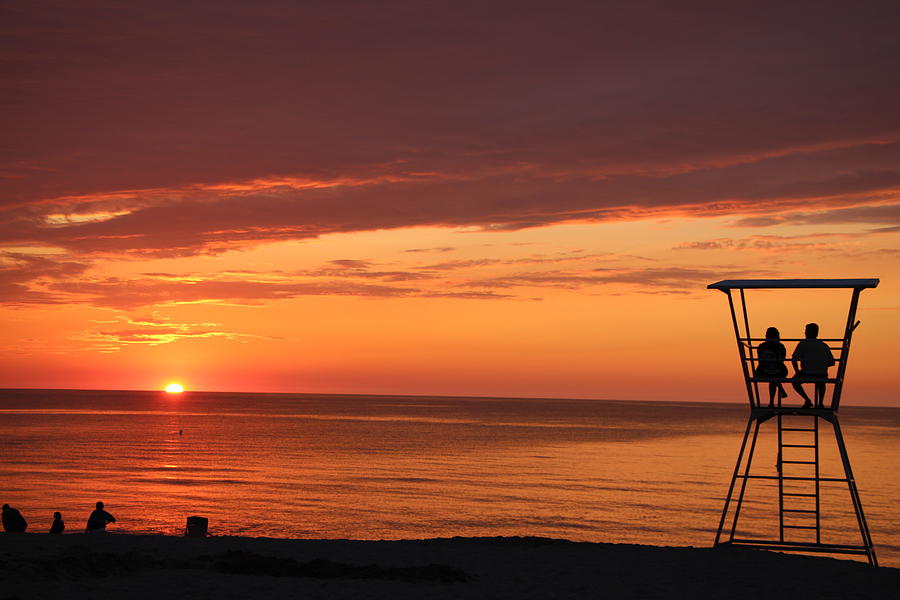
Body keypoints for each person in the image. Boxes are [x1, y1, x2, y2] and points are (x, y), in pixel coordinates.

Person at [791, 323, 836, 409]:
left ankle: (807, 400)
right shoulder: (823, 345)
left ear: (808, 332)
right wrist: (821, 365)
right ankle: (821, 403)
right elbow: (832, 362)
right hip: (821, 374)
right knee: (821, 382)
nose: (805, 333)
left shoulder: (803, 344)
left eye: (806, 331)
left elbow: (794, 359)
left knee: (794, 382)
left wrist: (797, 371)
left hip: (806, 373)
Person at [755, 327, 789, 407]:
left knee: (772, 377)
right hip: (780, 371)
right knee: (774, 377)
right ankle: (777, 393)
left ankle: (771, 402)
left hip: (764, 371)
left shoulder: (761, 346)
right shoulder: (781, 346)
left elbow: (760, 361)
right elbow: (782, 360)